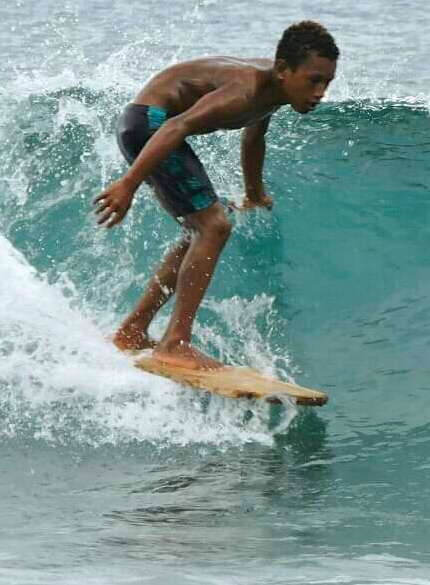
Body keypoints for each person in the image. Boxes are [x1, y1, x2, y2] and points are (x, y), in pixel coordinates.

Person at [94, 21, 338, 370]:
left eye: (327, 82)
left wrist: (254, 194)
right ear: (284, 69)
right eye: (314, 80)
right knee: (215, 226)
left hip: (145, 125)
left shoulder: (276, 88)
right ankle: (175, 343)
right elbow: (176, 126)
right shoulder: (246, 89)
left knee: (201, 229)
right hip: (151, 125)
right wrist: (129, 184)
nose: (320, 92)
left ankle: (133, 330)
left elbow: (254, 137)